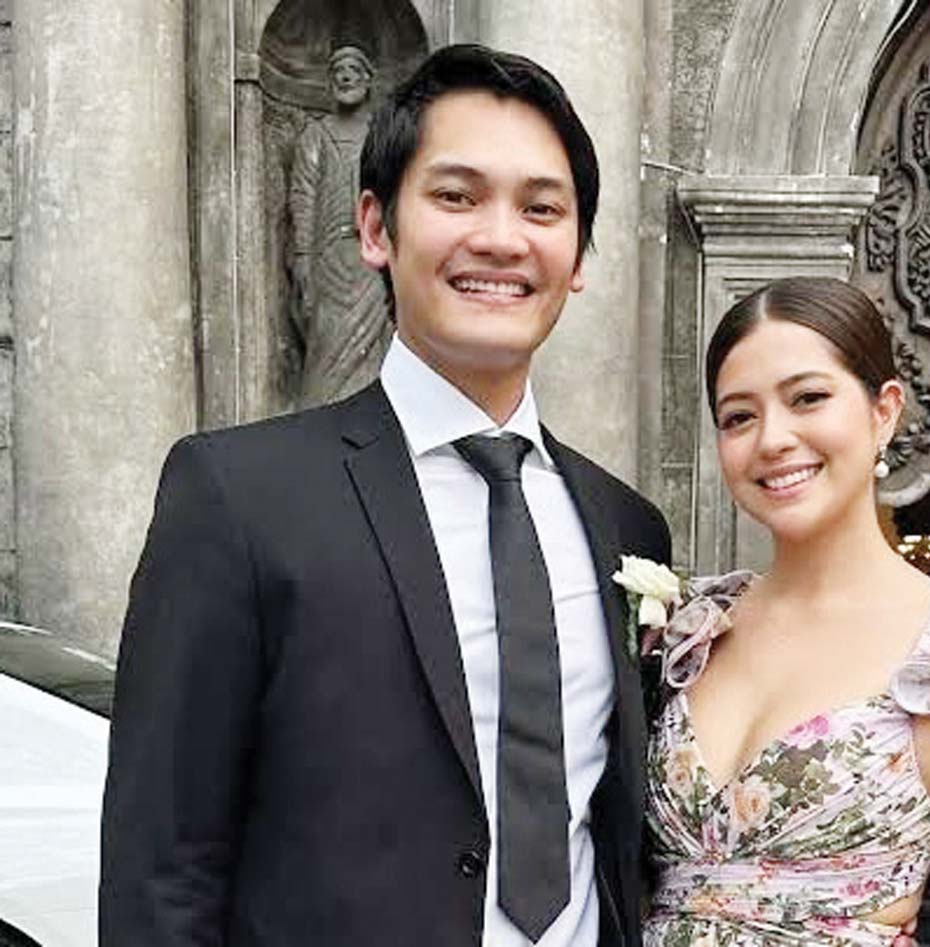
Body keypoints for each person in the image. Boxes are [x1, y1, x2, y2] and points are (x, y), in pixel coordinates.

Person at [100, 44, 670, 947]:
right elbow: (162, 866)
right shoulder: (240, 498)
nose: (501, 238)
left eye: (541, 207)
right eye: (456, 196)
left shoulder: (626, 527)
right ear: (375, 227)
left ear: (577, 256)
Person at [642, 277, 930, 946]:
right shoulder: (692, 634)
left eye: (808, 398)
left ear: (883, 411)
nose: (772, 439)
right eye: (739, 417)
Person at [288, 43, 391, 407]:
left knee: (375, 347)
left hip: (374, 261)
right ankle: (319, 418)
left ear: (368, 79)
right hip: (329, 258)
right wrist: (303, 256)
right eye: (338, 71)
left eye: (352, 70)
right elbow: (303, 194)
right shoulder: (315, 135)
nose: (345, 77)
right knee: (325, 344)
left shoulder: (381, 134)